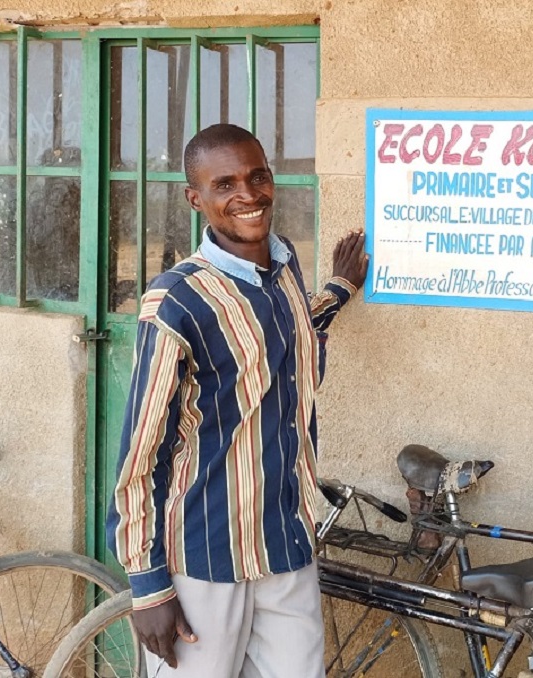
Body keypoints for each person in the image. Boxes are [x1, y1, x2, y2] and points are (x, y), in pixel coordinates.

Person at [106, 123, 368, 678]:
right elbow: (141, 450)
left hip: (284, 540)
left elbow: (286, 338)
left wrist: (338, 290)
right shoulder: (176, 301)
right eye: (224, 184)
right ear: (195, 198)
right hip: (204, 555)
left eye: (257, 176)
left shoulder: (284, 266)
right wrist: (148, 586)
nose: (247, 195)